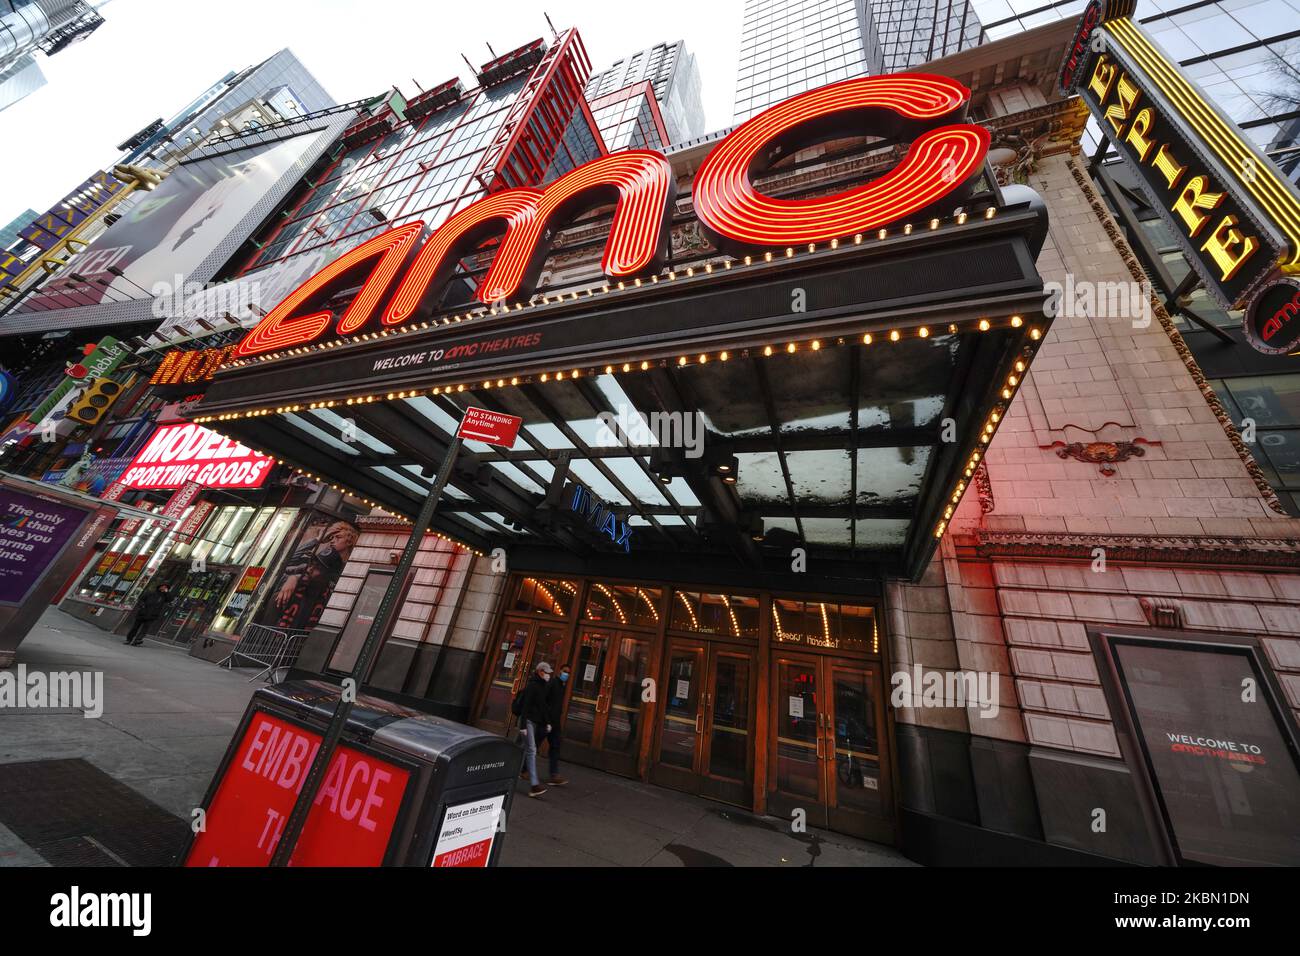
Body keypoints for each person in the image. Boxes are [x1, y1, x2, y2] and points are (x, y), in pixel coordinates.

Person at [520, 661, 554, 797]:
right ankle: (534, 785)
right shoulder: (533, 686)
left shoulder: (542, 686)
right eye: (546, 673)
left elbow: (542, 706)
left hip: (535, 721)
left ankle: (506, 769)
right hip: (527, 721)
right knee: (532, 750)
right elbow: (526, 706)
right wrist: (522, 726)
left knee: (519, 747)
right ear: (540, 672)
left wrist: (547, 722)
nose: (548, 675)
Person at [539, 664, 569, 787]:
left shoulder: (562, 686)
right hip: (547, 721)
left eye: (568, 672)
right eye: (565, 671)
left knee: (555, 746)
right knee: (535, 744)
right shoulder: (552, 683)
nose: (566, 674)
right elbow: (543, 700)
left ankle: (554, 774)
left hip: (555, 722)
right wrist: (546, 717)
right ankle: (524, 769)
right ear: (559, 671)